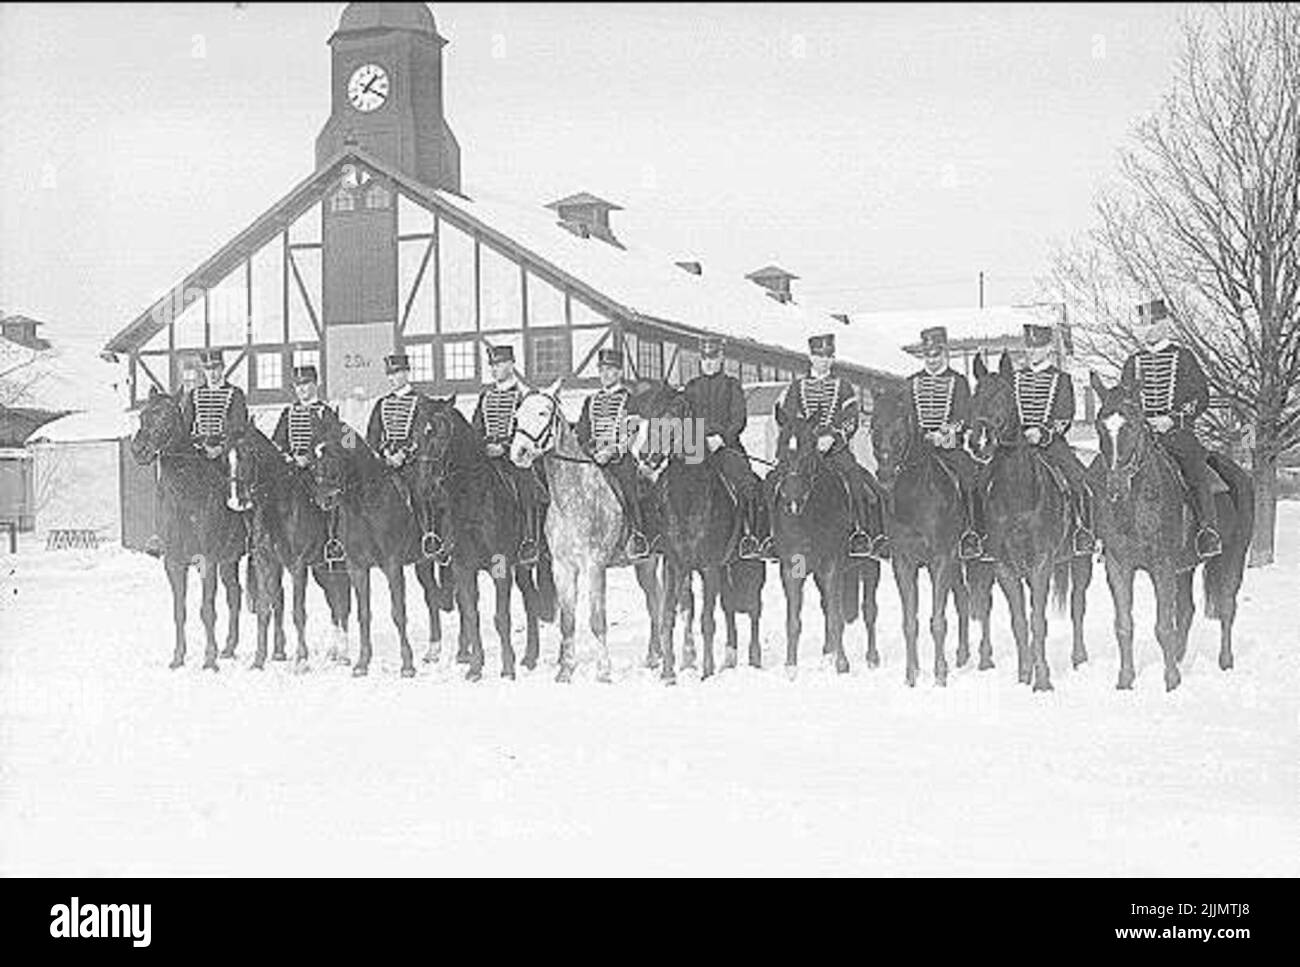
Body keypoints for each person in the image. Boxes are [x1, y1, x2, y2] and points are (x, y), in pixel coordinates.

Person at [1120, 298, 1221, 559]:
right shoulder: (1133, 362)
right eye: (1142, 325)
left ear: (1165, 325)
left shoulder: (1183, 357)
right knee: (1111, 470)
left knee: (1196, 471)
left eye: (1152, 324)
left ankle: (1207, 532)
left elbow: (1200, 397)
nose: (1147, 330)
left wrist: (1172, 420)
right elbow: (1124, 402)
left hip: (1176, 433)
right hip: (1141, 437)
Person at [776, 332, 889, 559]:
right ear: (811, 357)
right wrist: (803, 441)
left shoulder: (843, 386)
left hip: (835, 452)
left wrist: (833, 438)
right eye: (819, 356)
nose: (824, 360)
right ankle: (773, 537)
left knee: (858, 482)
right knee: (775, 483)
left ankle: (860, 532)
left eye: (828, 356)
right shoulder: (797, 387)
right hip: (803, 454)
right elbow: (788, 420)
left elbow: (850, 418)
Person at [682, 334, 770, 559]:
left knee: (748, 484)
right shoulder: (691, 388)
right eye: (705, 358)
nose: (709, 362)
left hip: (726, 446)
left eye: (713, 358)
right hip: (696, 448)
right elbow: (684, 418)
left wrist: (721, 438)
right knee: (673, 483)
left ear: (721, 359)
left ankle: (750, 536)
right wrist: (694, 441)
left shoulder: (732, 385)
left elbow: (738, 419)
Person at [1013, 323, 1094, 556]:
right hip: (1019, 445)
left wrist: (1044, 433)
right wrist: (1020, 434)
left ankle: (1082, 531)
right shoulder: (1017, 379)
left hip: (1051, 443)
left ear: (1047, 348)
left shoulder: (1061, 380)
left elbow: (1064, 415)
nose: (1032, 352)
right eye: (1029, 347)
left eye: (1037, 347)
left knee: (1079, 480)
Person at [904, 326, 984, 560]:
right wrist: (919, 436)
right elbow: (908, 415)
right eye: (927, 355)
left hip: (949, 447)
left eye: (936, 354)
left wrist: (944, 434)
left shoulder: (958, 381)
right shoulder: (912, 382)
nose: (932, 360)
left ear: (945, 353)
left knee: (970, 478)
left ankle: (971, 532)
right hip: (918, 448)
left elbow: (963, 417)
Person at [472, 344, 544, 565]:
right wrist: (484, 446)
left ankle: (530, 540)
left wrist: (505, 446)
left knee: (527, 490)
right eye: (492, 365)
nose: (495, 369)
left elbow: (530, 429)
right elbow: (477, 428)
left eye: (500, 364)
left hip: (515, 459)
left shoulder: (524, 396)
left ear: (512, 364)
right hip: (487, 459)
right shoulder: (486, 397)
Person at [365, 353, 442, 558]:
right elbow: (372, 437)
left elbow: (425, 435)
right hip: (387, 463)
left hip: (413, 463)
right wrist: (385, 454)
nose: (393, 378)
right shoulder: (382, 404)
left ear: (407, 373)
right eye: (390, 374)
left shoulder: (421, 402)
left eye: (397, 373)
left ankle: (429, 536)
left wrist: (405, 454)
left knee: (419, 492)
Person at [576, 347, 650, 561]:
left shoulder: (630, 400)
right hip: (594, 460)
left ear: (619, 373)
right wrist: (592, 451)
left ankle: (637, 535)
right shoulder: (591, 401)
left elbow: (634, 432)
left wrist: (613, 450)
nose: (605, 375)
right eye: (602, 370)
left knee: (629, 490)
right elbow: (582, 433)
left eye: (610, 370)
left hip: (619, 459)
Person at [180, 347, 249, 458]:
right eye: (208, 369)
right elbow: (185, 425)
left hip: (226, 447)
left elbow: (238, 428)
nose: (212, 373)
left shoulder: (235, 393)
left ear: (222, 368)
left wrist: (221, 448)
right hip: (198, 447)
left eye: (215, 368)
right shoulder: (194, 394)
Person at [271, 365, 340, 468]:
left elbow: (333, 442)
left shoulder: (325, 412)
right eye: (297, 385)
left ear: (316, 384)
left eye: (305, 383)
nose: (301, 389)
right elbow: (278, 441)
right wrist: (287, 456)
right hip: (292, 467)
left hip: (319, 468)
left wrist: (310, 457)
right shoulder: (288, 412)